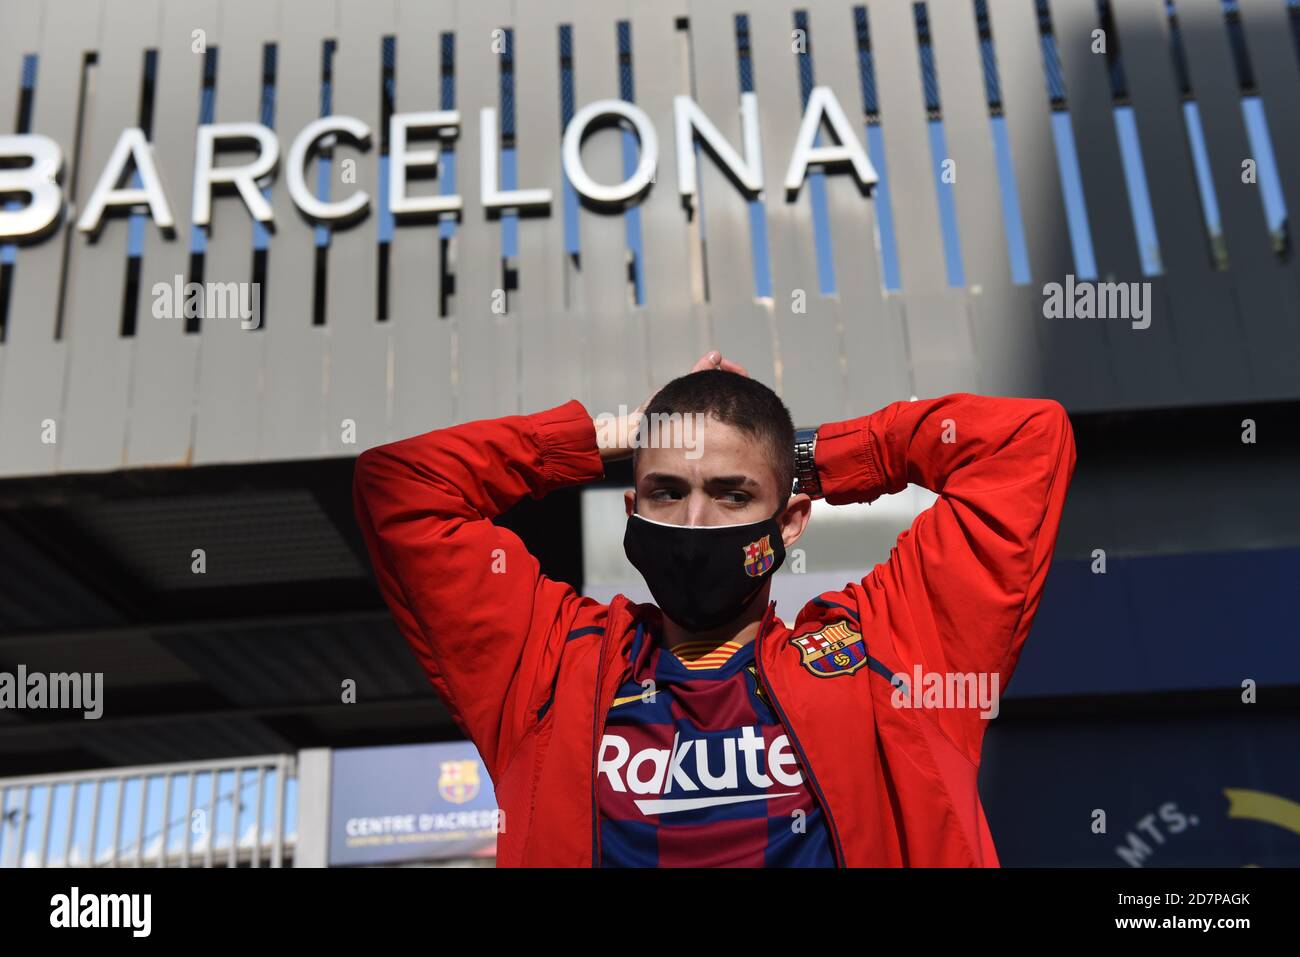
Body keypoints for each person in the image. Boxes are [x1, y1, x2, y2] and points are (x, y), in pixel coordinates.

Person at [352, 351, 1076, 866]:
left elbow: (1024, 442)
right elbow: (402, 486)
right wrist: (607, 437)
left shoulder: (887, 655)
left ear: (790, 521)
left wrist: (809, 452)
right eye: (668, 491)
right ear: (630, 509)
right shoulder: (551, 668)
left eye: (733, 493)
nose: (696, 523)